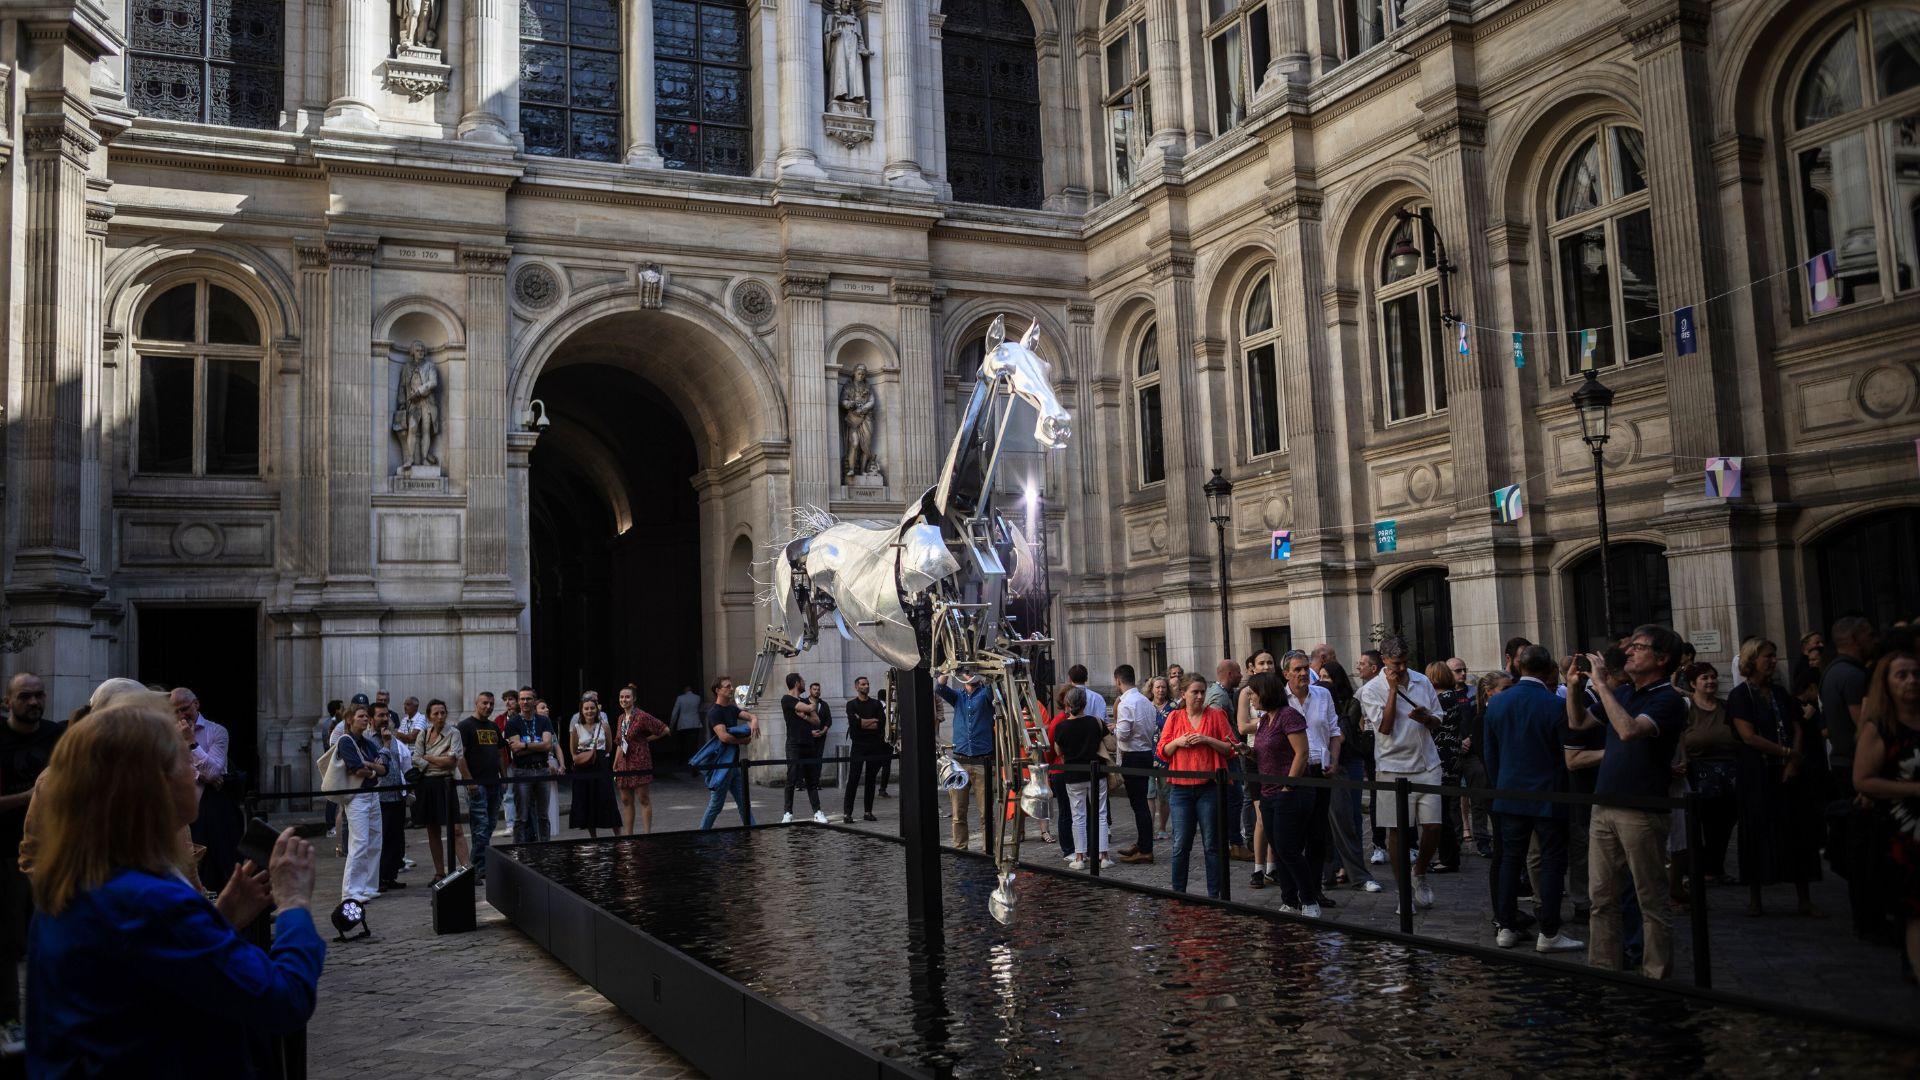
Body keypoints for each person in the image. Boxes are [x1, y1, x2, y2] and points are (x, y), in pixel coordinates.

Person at [26, 702, 323, 1076]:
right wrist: (295, 903)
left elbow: (155, 983)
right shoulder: (150, 902)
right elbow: (283, 999)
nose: (195, 770)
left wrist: (220, 920)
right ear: (152, 784)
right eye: (184, 759)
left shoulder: (74, 887)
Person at [1567, 624, 1686, 980]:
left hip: (1642, 810)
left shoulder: (1667, 699)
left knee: (1650, 898)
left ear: (1662, 659)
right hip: (1604, 806)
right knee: (1601, 898)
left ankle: (1656, 973)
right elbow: (1578, 722)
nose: (1629, 652)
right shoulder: (1627, 693)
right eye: (1630, 646)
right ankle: (1604, 968)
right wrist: (1575, 688)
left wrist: (1602, 684)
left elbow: (1629, 731)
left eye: (1639, 647)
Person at [1483, 646, 1584, 953]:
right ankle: (1549, 930)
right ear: (1549, 670)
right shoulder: (1554, 705)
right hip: (1547, 794)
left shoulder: (1497, 704)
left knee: (1510, 861)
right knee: (1552, 863)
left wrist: (1501, 785)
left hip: (1509, 792)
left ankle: (1505, 926)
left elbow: (1491, 753)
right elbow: (1564, 752)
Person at [1727, 637, 1823, 918]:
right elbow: (1748, 736)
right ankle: (1755, 897)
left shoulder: (1780, 693)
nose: (1772, 661)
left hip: (1787, 772)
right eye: (1767, 656)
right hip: (1757, 773)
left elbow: (1797, 726)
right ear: (1752, 659)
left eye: (1774, 655)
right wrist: (1785, 751)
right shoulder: (1740, 696)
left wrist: (1793, 759)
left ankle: (1804, 896)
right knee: (1758, 830)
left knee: (1795, 830)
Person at [1359, 636, 1444, 913]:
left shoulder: (1422, 680)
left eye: (1406, 662)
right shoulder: (1372, 690)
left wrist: (1426, 719)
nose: (1402, 667)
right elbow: (1383, 728)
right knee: (1397, 830)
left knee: (1433, 826)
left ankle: (1419, 872)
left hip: (1426, 762)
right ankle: (1404, 891)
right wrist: (1393, 691)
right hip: (1392, 766)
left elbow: (1437, 719)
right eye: (1396, 663)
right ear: (1384, 661)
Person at [1852, 649, 1920, 982]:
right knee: (1915, 911)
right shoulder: (1880, 726)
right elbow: (1862, 779)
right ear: (1887, 683)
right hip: (1904, 832)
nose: (1911, 682)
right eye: (1902, 675)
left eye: (1915, 674)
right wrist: (1913, 790)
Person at [1, 672, 60, 1046]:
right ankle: (9, 1021)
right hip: (5, 855)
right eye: (25, 696)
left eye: (39, 695)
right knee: (6, 943)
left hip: (50, 853)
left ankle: (49, 1018)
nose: (34, 703)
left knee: (50, 937)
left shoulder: (56, 737)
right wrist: (33, 795)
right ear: (8, 701)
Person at [1823, 615, 1880, 936]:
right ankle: (1868, 917)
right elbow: (1865, 727)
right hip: (1857, 767)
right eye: (1870, 634)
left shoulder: (1833, 671)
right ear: (1856, 639)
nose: (1875, 639)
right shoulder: (1852, 676)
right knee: (1865, 847)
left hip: (1844, 763)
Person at [1157, 675, 1236, 898]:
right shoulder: (1174, 717)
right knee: (1181, 843)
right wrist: (1178, 742)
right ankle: (1179, 892)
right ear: (1184, 694)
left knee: (1212, 843)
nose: (1200, 696)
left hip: (1209, 787)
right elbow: (1162, 751)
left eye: (1202, 692)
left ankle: (1215, 894)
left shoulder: (1216, 715)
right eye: (1195, 692)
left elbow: (1230, 749)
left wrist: (1206, 739)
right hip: (1181, 789)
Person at [1249, 671, 1314, 915]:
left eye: (1253, 694)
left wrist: (1288, 786)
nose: (1251, 699)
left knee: (1288, 848)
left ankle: (1309, 899)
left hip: (1290, 792)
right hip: (1268, 792)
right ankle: (1289, 899)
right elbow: (1263, 753)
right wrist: (1246, 752)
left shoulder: (1288, 716)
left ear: (1265, 693)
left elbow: (1302, 753)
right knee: (1278, 848)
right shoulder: (1265, 720)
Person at [1278, 651, 1338, 909]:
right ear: (1286, 674)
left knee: (1317, 835)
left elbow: (1335, 731)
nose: (1303, 673)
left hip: (1319, 771)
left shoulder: (1323, 694)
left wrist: (1334, 761)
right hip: (1292, 773)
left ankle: (1314, 891)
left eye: (1305, 668)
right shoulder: (1279, 698)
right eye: (1297, 669)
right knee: (1292, 837)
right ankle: (1294, 893)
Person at [171, 687, 241, 891]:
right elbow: (172, 770)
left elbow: (215, 772)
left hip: (213, 811)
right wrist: (201, 774)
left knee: (220, 868)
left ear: (196, 704)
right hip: (182, 814)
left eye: (185, 709)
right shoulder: (168, 734)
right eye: (176, 712)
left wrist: (191, 743)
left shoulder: (216, 731)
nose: (182, 715)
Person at [1320, 662, 1381, 894]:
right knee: (1320, 827)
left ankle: (1356, 874)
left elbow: (1340, 736)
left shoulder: (1344, 712)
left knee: (1346, 822)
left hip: (1342, 767)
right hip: (1317, 770)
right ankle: (1327, 874)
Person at [1678, 663, 1737, 883]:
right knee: (1698, 824)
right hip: (1697, 771)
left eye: (1713, 677)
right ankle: (1696, 869)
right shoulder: (1687, 709)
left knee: (1723, 824)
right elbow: (1681, 738)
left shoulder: (1726, 706)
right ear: (1693, 684)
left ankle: (1715, 868)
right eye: (1705, 678)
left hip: (1728, 773)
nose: (1711, 681)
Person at [332, 704, 386, 904]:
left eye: (366, 716)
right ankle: (351, 891)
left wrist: (370, 767)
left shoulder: (368, 742)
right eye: (361, 716)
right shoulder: (346, 742)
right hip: (357, 796)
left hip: (372, 794)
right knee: (359, 842)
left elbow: (384, 767)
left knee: (374, 840)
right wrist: (373, 770)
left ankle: (368, 886)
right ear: (349, 719)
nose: (365, 719)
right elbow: (355, 769)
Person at [935, 673, 995, 850]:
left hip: (981, 761)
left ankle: (988, 848)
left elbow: (993, 687)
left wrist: (983, 672)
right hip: (960, 761)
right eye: (966, 673)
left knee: (986, 812)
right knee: (958, 812)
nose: (969, 676)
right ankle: (960, 847)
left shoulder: (985, 694)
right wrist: (948, 670)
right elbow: (939, 688)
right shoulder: (958, 696)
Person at [1053, 688, 1111, 870]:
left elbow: (1058, 751)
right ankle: (1103, 855)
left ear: (1068, 706)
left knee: (1078, 816)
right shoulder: (1095, 722)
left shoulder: (1061, 727)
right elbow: (1111, 744)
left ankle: (1079, 856)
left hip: (1073, 775)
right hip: (1096, 773)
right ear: (1084, 704)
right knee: (1100, 813)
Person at [1234, 651, 1276, 887]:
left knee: (1274, 814)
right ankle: (1259, 867)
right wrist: (1272, 721)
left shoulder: (1279, 689)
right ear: (1252, 667)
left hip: (1278, 757)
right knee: (1262, 815)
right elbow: (1242, 726)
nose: (1267, 666)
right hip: (1253, 755)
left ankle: (1272, 865)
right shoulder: (1246, 692)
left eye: (1270, 662)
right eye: (1262, 663)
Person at [1207, 659, 1254, 862]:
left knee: (1233, 800)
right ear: (1229, 674)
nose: (1241, 676)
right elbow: (1217, 727)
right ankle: (1234, 843)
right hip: (1227, 754)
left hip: (1228, 753)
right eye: (1238, 672)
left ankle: (1232, 842)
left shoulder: (1224, 694)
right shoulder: (1218, 696)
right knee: (1233, 799)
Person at [1425, 661, 1470, 872]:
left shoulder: (1441, 700)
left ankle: (1448, 857)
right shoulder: (1453, 697)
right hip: (1452, 754)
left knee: (1441, 810)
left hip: (1441, 758)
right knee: (1445, 808)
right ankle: (1449, 854)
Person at [1113, 665, 1159, 864]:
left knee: (1139, 804)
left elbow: (1123, 732)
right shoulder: (1145, 701)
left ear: (1118, 681)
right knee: (1140, 803)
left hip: (1132, 755)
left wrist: (1113, 730)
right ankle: (1142, 842)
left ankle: (1146, 848)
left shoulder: (1126, 703)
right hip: (1146, 753)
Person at [414, 700, 465, 878]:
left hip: (446, 784)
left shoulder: (454, 733)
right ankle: (439, 873)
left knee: (456, 829)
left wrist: (428, 758)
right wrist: (438, 760)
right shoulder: (423, 734)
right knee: (433, 830)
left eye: (443, 712)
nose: (440, 717)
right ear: (429, 716)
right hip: (427, 785)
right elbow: (416, 759)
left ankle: (467, 870)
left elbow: (452, 761)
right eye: (436, 713)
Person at [455, 692, 504, 880]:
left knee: (490, 825)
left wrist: (504, 779)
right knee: (481, 826)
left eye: (491, 703)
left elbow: (500, 754)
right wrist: (470, 781)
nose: (488, 707)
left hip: (495, 783)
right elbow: (460, 756)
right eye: (485, 703)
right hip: (477, 785)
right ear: (476, 703)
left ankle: (480, 865)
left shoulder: (493, 727)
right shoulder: (465, 726)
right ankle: (475, 867)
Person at [699, 677, 758, 829]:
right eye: (728, 686)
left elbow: (749, 716)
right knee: (716, 806)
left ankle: (753, 832)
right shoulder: (714, 712)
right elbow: (723, 736)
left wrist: (754, 719)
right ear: (718, 690)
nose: (731, 689)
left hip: (734, 766)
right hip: (722, 766)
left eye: (731, 686)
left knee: (744, 803)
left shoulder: (731, 708)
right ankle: (702, 833)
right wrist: (742, 741)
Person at [613, 686, 668, 835]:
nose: (624, 700)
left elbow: (664, 729)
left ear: (634, 699)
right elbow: (620, 742)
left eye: (627, 697)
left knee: (643, 798)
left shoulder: (642, 716)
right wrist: (615, 765)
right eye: (621, 697)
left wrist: (646, 740)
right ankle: (628, 835)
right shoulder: (620, 718)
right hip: (623, 763)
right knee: (625, 800)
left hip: (639, 761)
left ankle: (646, 833)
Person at [505, 690, 556, 845]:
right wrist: (536, 746)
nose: (525, 702)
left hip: (542, 769)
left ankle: (544, 848)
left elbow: (548, 745)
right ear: (518, 702)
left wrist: (525, 744)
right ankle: (519, 849)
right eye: (522, 699)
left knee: (543, 815)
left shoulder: (544, 721)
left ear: (534, 701)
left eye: (528, 699)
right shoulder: (513, 722)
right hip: (522, 771)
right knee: (521, 816)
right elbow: (516, 750)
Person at [370, 704, 412, 892]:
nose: (385, 719)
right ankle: (378, 878)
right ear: (372, 719)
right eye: (380, 715)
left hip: (397, 796)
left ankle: (390, 875)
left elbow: (401, 763)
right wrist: (385, 744)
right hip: (380, 798)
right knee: (382, 839)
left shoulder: (394, 739)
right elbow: (377, 764)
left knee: (396, 840)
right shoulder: (369, 741)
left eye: (387, 715)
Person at [568, 693, 621, 838]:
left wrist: (598, 755)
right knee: (588, 799)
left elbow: (609, 747)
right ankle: (593, 837)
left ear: (597, 710)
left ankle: (618, 835)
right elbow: (573, 750)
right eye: (586, 708)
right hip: (583, 768)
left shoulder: (604, 726)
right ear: (581, 710)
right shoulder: (576, 727)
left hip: (601, 765)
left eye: (592, 708)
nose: (589, 711)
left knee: (607, 798)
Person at [779, 673, 828, 825]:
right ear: (796, 683)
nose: (804, 683)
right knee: (792, 778)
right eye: (802, 681)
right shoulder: (787, 699)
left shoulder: (804, 700)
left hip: (808, 743)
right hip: (794, 743)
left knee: (812, 780)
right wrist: (809, 707)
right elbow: (810, 707)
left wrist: (805, 717)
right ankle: (788, 813)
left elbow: (817, 720)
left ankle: (817, 812)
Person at [843, 676, 888, 823]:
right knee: (853, 779)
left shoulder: (876, 704)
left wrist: (862, 721)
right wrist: (869, 721)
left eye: (867, 684)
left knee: (871, 779)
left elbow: (881, 724)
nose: (866, 686)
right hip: (858, 746)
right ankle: (847, 813)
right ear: (856, 687)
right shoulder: (851, 705)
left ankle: (868, 811)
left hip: (874, 745)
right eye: (863, 684)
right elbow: (854, 725)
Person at [1145, 675, 1175, 841]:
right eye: (1157, 687)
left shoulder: (1173, 707)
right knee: (1149, 793)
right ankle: (1149, 828)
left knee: (1164, 793)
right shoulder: (1146, 706)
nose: (1160, 690)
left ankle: (1163, 828)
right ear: (1151, 689)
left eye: (1163, 687)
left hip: (1165, 755)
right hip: (1148, 754)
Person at [669, 683, 706, 763]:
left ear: (684, 690)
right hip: (695, 724)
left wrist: (671, 726)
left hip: (683, 725)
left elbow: (674, 713)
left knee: (682, 745)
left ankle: (682, 762)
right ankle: (694, 762)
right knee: (694, 746)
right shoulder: (697, 698)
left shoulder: (680, 698)